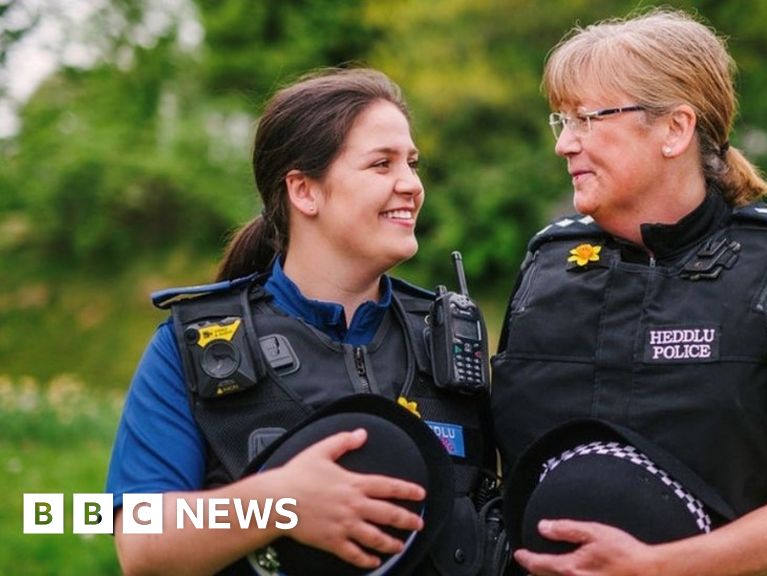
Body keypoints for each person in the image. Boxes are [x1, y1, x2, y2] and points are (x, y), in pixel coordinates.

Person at [490, 8, 767, 576]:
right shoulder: (544, 265)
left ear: (675, 129)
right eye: (562, 121)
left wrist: (659, 568)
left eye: (587, 118)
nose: (565, 145)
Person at [106, 68, 498, 575]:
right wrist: (279, 504)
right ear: (304, 191)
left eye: (412, 163)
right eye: (381, 164)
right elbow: (139, 546)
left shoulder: (451, 339)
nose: (412, 185)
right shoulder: (193, 347)